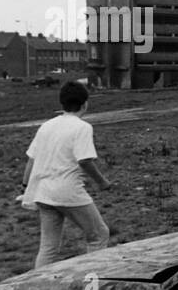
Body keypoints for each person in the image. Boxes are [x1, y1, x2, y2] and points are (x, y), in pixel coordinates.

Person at [21, 81, 112, 268]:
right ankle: (92, 284)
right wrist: (102, 182)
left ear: (62, 103)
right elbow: (85, 160)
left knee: (48, 247)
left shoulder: (46, 126)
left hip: (43, 192)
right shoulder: (82, 127)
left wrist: (25, 186)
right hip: (67, 192)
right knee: (98, 235)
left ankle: (40, 287)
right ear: (85, 103)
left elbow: (32, 159)